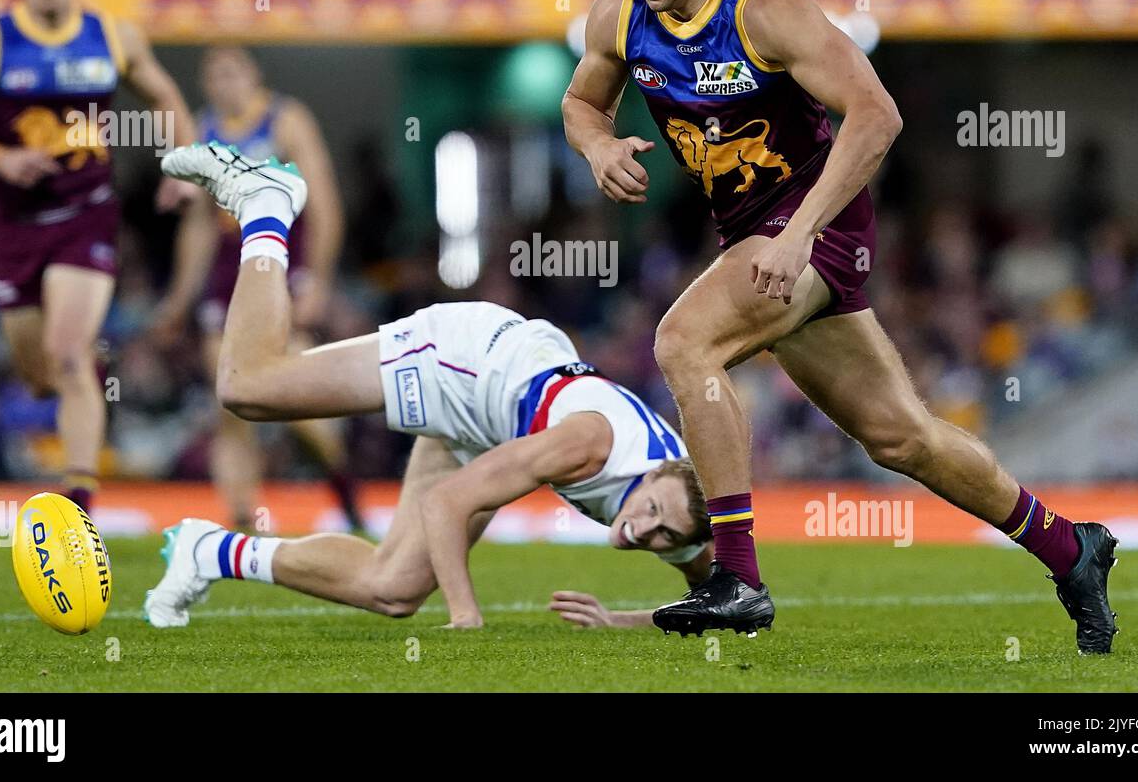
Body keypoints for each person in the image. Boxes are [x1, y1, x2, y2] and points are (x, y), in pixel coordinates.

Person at [561, 0, 1118, 652]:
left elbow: (876, 116)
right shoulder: (618, 13)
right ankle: (1071, 549)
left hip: (814, 225)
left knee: (682, 341)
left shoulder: (769, 12)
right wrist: (597, 147)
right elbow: (583, 101)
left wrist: (798, 235)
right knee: (901, 437)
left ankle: (739, 578)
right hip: (753, 232)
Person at [144, 143, 714, 631]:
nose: (646, 530)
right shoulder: (588, 445)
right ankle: (266, 207)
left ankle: (209, 551)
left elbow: (713, 598)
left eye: (664, 536)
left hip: (502, 413)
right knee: (248, 387)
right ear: (657, 473)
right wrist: (466, 616)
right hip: (461, 362)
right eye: (652, 512)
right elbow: (448, 501)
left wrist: (620, 621)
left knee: (392, 590)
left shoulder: (687, 511)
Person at [0, 0, 212, 512]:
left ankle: (79, 502)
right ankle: (60, 401)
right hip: (11, 228)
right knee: (37, 372)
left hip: (86, 218)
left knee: (73, 355)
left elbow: (163, 97)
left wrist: (182, 165)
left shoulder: (113, 37)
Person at [153, 47, 361, 531]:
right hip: (228, 272)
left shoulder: (285, 120)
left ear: (253, 75)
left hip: (279, 263)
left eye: (232, 73)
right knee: (230, 397)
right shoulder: (202, 131)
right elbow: (200, 226)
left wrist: (318, 281)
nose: (225, 84)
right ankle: (242, 517)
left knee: (299, 401)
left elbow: (325, 202)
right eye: (215, 76)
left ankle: (340, 477)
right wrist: (179, 300)